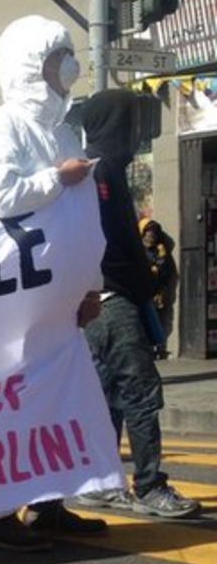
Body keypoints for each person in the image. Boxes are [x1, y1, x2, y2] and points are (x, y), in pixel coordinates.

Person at [0, 14, 108, 551]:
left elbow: (82, 217)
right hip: (18, 300)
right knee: (14, 404)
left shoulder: (66, 130)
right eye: (56, 57)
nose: (67, 66)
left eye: (68, 54)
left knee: (59, 399)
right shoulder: (4, 125)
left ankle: (50, 503)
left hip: (59, 300)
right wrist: (57, 178)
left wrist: (90, 284)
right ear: (31, 65)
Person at [77, 90, 200, 518]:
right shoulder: (102, 171)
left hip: (101, 300)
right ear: (117, 126)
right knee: (141, 392)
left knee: (109, 394)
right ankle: (149, 487)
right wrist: (137, 291)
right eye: (132, 124)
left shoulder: (96, 167)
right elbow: (110, 244)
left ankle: (101, 483)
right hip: (114, 300)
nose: (139, 135)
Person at [138, 216, 176, 358]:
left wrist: (162, 260)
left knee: (157, 320)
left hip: (156, 292)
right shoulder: (138, 249)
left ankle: (157, 348)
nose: (151, 236)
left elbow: (168, 272)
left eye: (154, 233)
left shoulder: (160, 250)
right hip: (141, 292)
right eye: (148, 233)